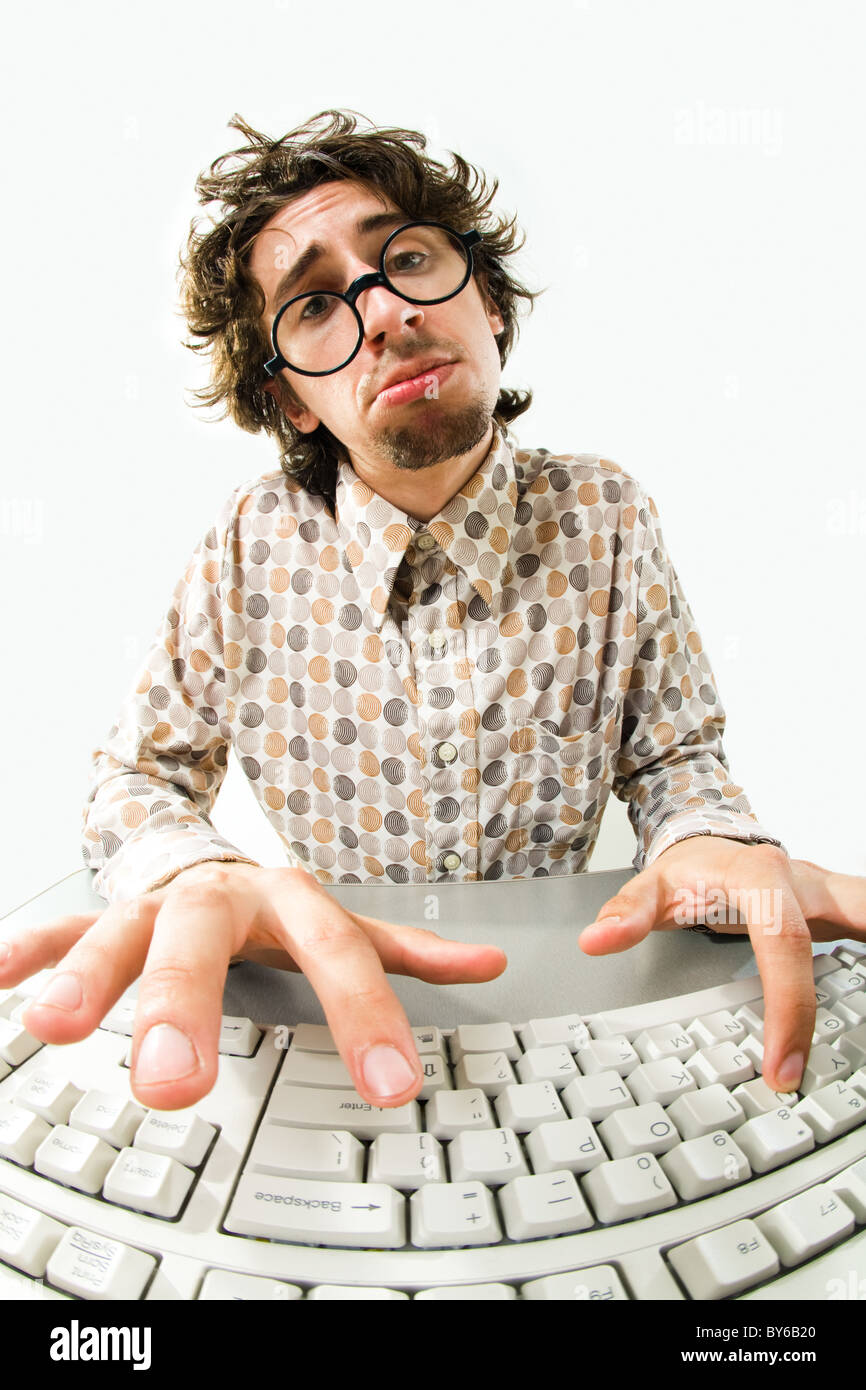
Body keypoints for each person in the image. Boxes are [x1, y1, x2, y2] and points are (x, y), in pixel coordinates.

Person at [3, 112, 863, 1115]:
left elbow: (671, 762)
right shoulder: (245, 546)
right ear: (290, 401)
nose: (382, 315)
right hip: (319, 1015)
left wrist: (705, 837)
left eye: (406, 258)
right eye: (315, 304)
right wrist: (192, 872)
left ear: (486, 303)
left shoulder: (606, 512)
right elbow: (136, 778)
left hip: (564, 1013)